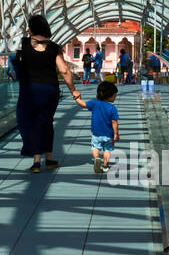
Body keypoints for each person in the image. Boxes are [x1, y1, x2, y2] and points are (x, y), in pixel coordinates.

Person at [13, 14, 84, 173]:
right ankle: (49, 158)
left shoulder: (24, 44)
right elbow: (64, 71)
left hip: (29, 90)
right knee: (46, 122)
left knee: (31, 122)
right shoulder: (54, 47)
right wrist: (74, 91)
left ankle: (36, 160)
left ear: (30, 29)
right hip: (50, 90)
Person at [85, 81, 120, 174]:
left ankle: (96, 158)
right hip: (108, 134)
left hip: (96, 133)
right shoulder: (112, 108)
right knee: (107, 150)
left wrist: (76, 98)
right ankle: (105, 165)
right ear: (109, 95)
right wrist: (116, 134)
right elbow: (114, 122)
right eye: (114, 95)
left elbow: (83, 104)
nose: (115, 97)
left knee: (95, 147)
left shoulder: (94, 103)